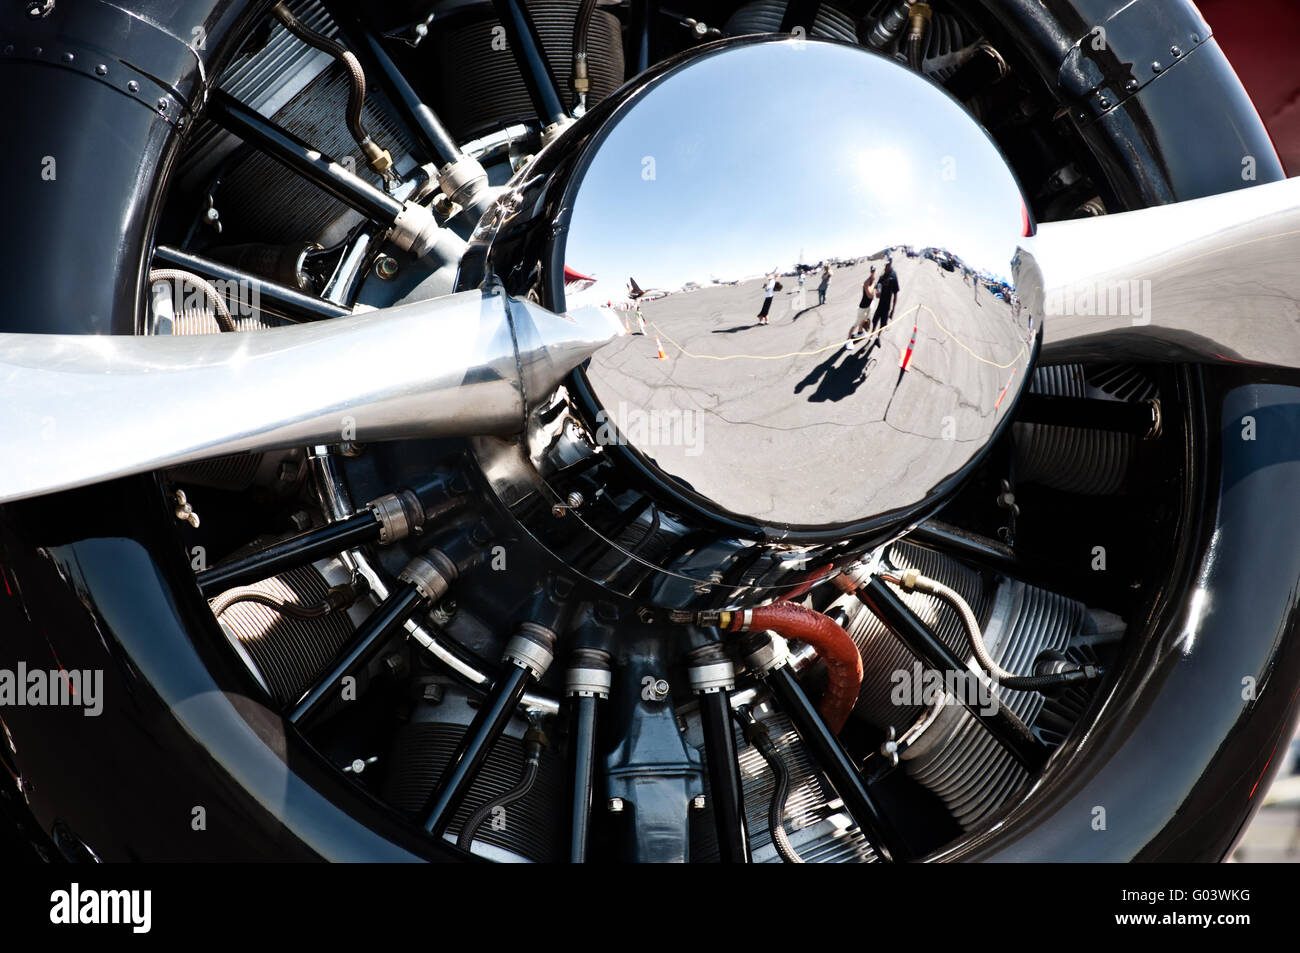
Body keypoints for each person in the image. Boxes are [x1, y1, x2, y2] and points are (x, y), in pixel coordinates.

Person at [844, 266, 877, 351]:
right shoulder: (867, 282)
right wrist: (874, 284)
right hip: (862, 308)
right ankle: (848, 340)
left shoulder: (873, 280)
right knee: (856, 323)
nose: (873, 273)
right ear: (870, 272)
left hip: (868, 306)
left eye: (874, 271)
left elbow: (873, 295)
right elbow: (869, 294)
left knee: (864, 320)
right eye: (872, 271)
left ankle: (860, 333)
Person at [871, 259, 900, 332]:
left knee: (882, 324)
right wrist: (877, 292)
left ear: (890, 264)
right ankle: (871, 335)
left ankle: (877, 338)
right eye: (885, 265)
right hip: (880, 304)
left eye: (887, 265)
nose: (885, 267)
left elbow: (895, 293)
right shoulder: (883, 275)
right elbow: (877, 286)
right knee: (875, 321)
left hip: (887, 306)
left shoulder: (893, 276)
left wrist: (893, 309)